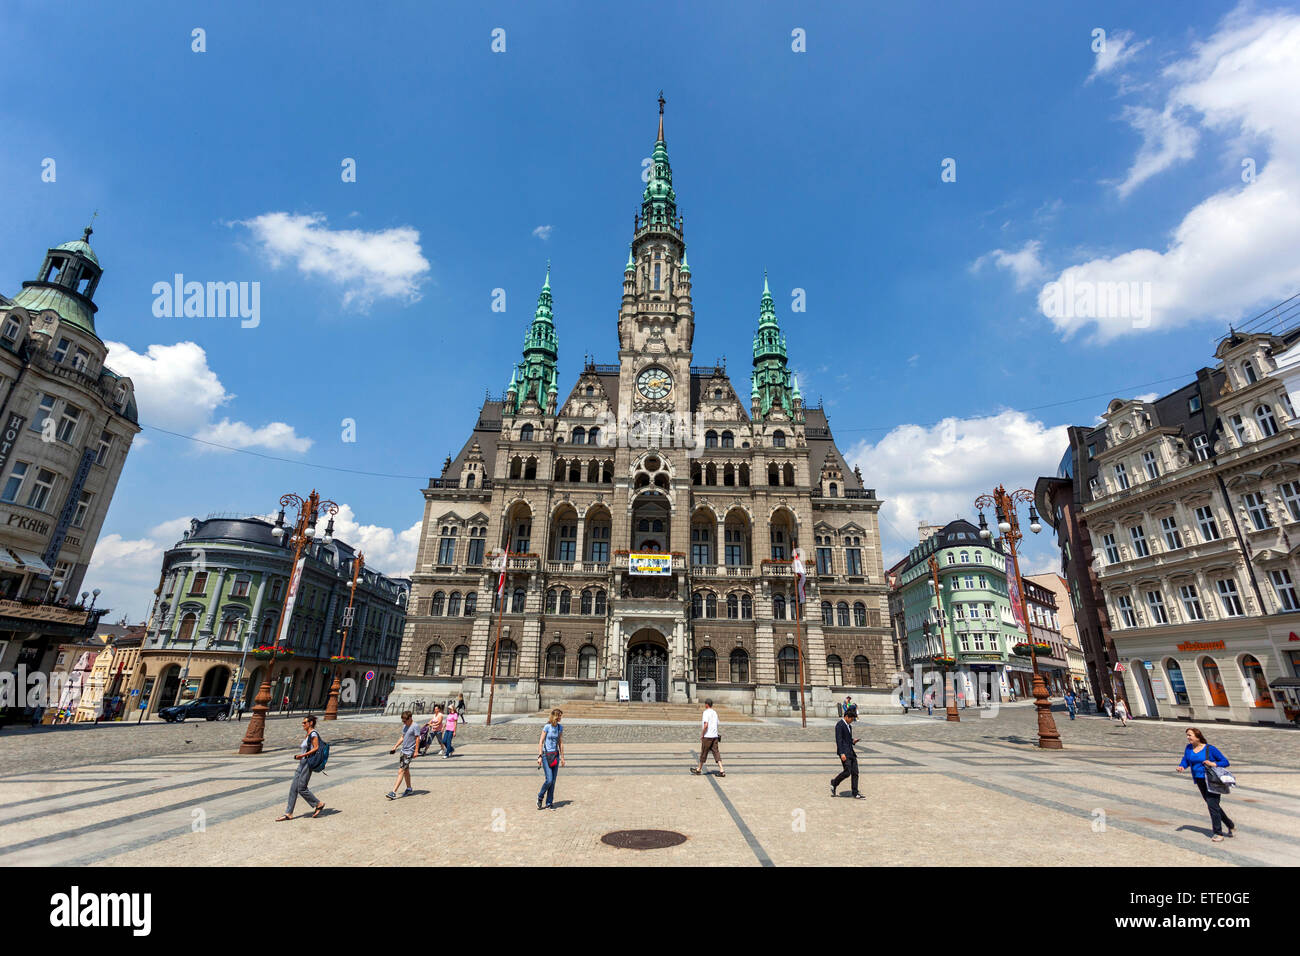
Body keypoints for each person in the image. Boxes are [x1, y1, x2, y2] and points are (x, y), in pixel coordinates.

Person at [1177, 727, 1235, 842]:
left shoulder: (1210, 749)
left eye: (1190, 735)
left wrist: (1212, 763)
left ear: (1197, 736)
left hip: (1212, 780)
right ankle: (1230, 824)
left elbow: (1225, 762)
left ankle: (1218, 833)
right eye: (1187, 735)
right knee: (1214, 805)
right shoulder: (1189, 748)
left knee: (1212, 805)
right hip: (1199, 781)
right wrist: (1182, 766)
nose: (1188, 738)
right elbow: (1186, 760)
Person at [278, 715, 326, 821]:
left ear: (311, 723)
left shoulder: (313, 734)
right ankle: (289, 813)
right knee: (293, 788)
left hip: (308, 763)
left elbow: (316, 747)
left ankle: (318, 803)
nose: (303, 724)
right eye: (302, 722)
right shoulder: (307, 734)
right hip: (302, 763)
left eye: (305, 722)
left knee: (302, 788)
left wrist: (302, 756)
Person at [830, 705, 864, 799]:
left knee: (855, 772)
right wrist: (841, 753)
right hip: (844, 752)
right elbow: (839, 740)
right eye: (852, 719)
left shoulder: (849, 726)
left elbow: (847, 739)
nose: (852, 721)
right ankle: (834, 782)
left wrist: (853, 741)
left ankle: (855, 792)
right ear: (847, 717)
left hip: (851, 752)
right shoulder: (839, 725)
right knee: (847, 772)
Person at [386, 710, 419, 799]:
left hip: (409, 752)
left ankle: (393, 792)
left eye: (405, 721)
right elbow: (403, 737)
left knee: (401, 771)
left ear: (410, 718)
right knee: (406, 770)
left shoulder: (415, 726)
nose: (404, 723)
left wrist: (416, 751)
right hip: (403, 751)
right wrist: (395, 747)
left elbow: (417, 739)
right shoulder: (405, 726)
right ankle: (409, 788)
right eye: (403, 721)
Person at [537, 707, 565, 809]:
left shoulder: (559, 728)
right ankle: (540, 797)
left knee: (553, 781)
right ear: (556, 717)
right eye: (560, 716)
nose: (561, 718)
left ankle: (549, 802)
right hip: (546, 755)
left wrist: (562, 757)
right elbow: (541, 741)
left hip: (555, 755)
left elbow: (560, 743)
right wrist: (540, 756)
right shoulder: (547, 727)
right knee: (549, 779)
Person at [690, 698, 725, 776]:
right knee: (716, 753)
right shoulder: (715, 713)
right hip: (714, 736)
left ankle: (699, 769)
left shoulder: (706, 713)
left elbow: (706, 725)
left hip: (707, 736)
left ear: (706, 705)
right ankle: (722, 770)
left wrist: (702, 734)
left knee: (704, 753)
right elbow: (717, 723)